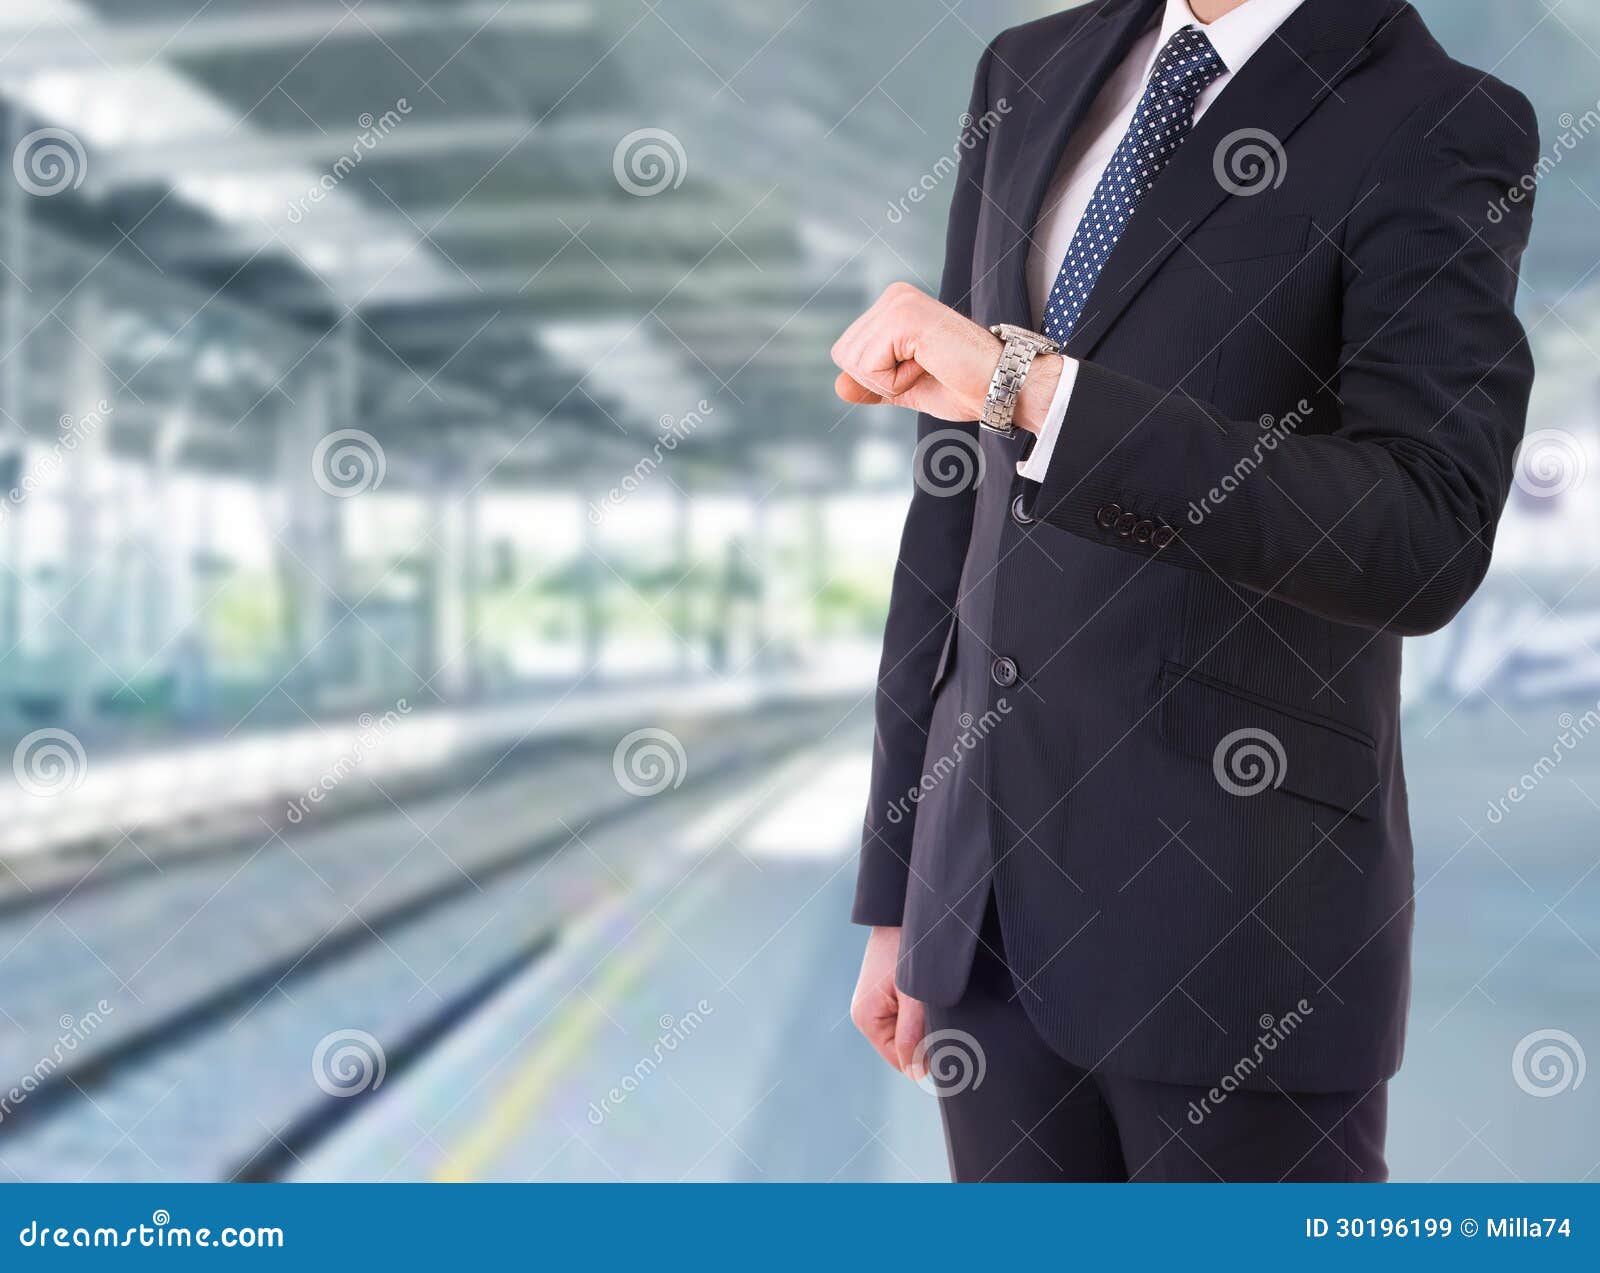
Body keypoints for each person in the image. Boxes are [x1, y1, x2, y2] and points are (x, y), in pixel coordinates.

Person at [836, 0, 1538, 1182]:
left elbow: (1423, 530)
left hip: (1236, 932)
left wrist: (1039, 393)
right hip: (987, 916)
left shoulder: (1436, 118)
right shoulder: (1030, 66)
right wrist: (901, 884)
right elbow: (955, 512)